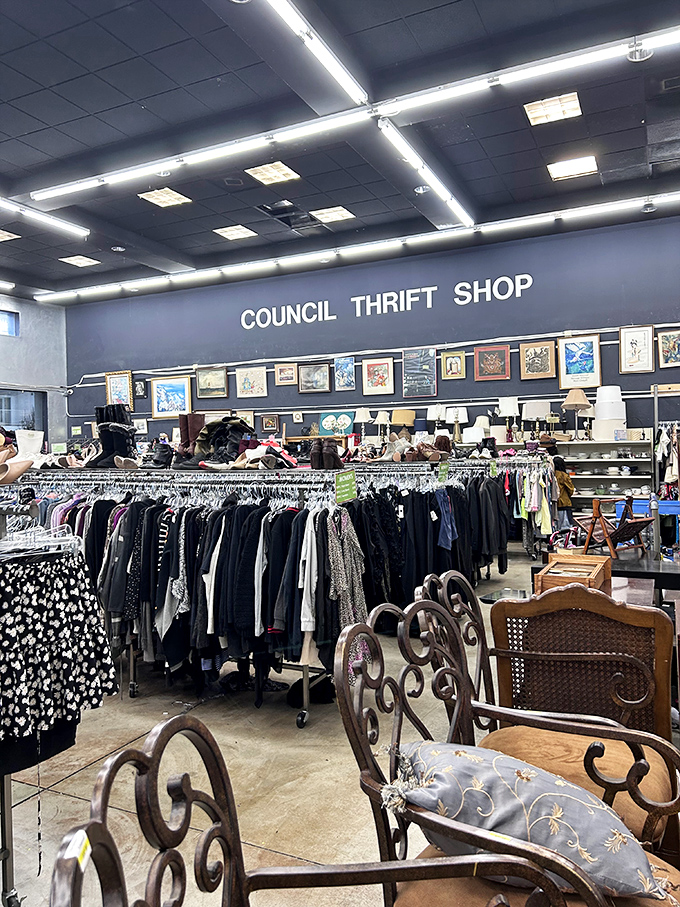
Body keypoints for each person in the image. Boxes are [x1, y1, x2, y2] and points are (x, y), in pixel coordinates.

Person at [553, 455, 574, 530]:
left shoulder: (551, 474)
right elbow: (571, 490)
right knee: (565, 527)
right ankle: (565, 541)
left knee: (555, 527)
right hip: (564, 503)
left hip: (553, 504)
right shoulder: (563, 475)